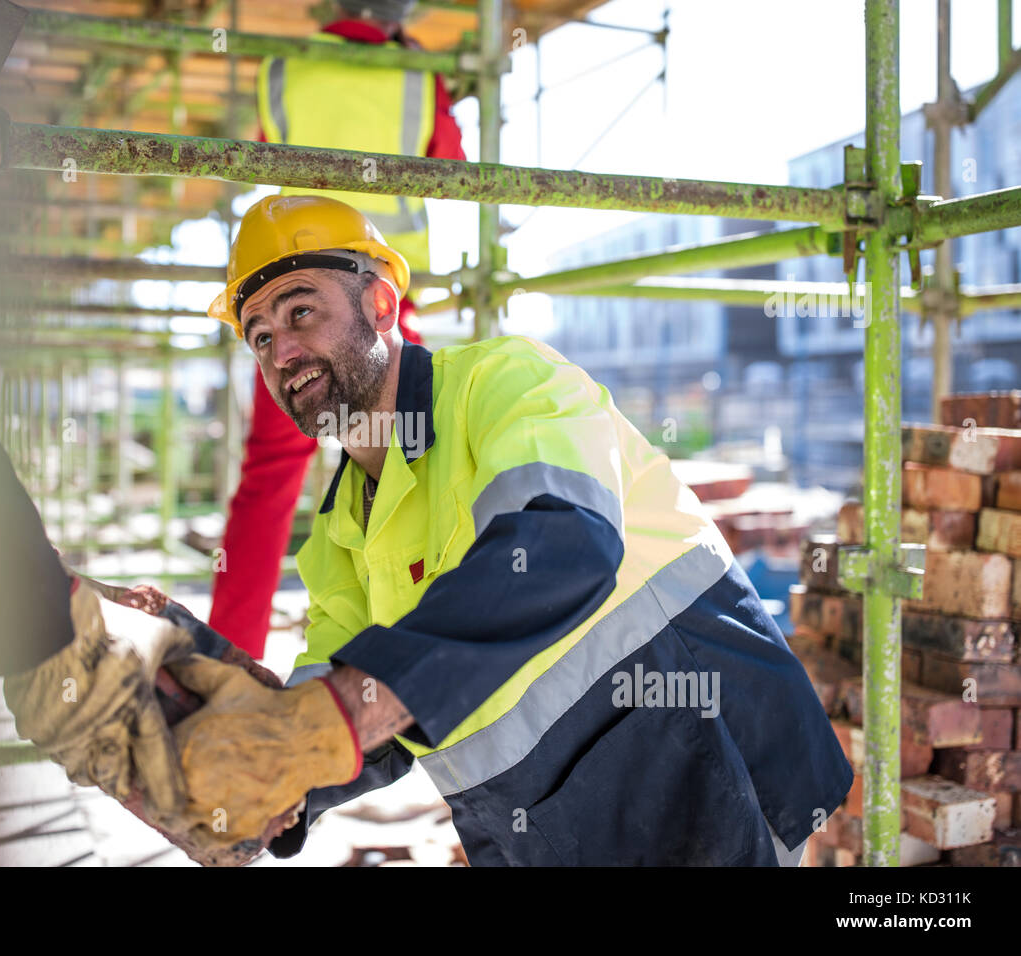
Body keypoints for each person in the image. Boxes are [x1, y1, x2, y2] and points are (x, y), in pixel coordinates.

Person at [190, 193, 853, 865]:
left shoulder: (505, 383)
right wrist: (279, 777)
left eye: (302, 310)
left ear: (381, 306)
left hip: (703, 772)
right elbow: (347, 696)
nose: (283, 351)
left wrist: (361, 702)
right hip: (547, 829)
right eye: (261, 336)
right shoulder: (338, 532)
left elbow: (561, 543)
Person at [208, 0, 466, 659]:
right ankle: (420, 642)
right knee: (417, 459)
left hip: (292, 300)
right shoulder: (417, 76)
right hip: (377, 307)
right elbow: (454, 168)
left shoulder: (281, 70)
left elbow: (267, 166)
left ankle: (227, 658)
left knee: (268, 480)